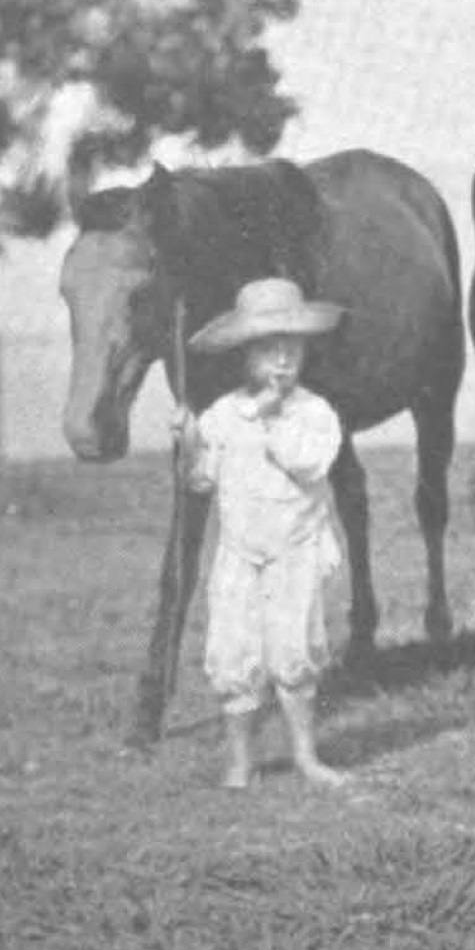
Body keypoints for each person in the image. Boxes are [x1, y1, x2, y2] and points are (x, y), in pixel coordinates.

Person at [176, 277, 353, 790]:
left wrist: (274, 419)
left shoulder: (315, 413)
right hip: (240, 553)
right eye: (267, 349)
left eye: (292, 348)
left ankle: (305, 755)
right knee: (235, 652)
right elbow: (201, 480)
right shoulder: (223, 415)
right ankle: (241, 761)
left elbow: (309, 463)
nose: (281, 359)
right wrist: (189, 443)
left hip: (294, 549)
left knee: (294, 650)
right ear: (244, 355)